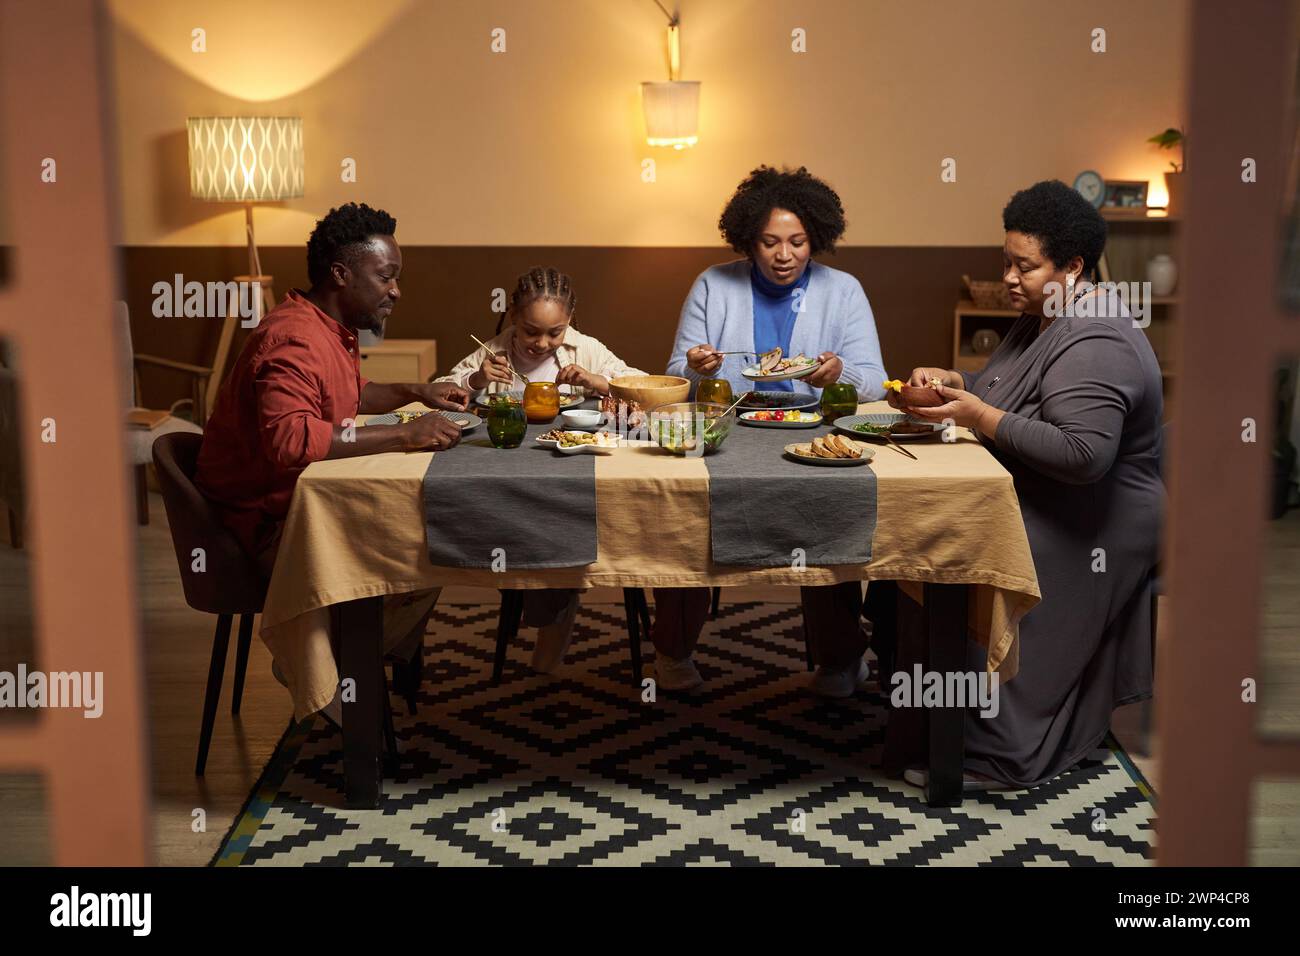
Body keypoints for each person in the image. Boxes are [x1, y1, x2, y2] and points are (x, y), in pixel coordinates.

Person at [892, 180, 1162, 790]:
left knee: (962, 550)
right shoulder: (1043, 314)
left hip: (1095, 518)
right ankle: (936, 713)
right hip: (1054, 495)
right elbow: (1008, 394)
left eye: (1025, 265)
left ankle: (999, 752)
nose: (1010, 277)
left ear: (1071, 266)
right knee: (926, 536)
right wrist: (953, 379)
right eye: (1005, 261)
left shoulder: (1096, 337)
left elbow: (1084, 453)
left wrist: (977, 417)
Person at [196, 202, 470, 724]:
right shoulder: (294, 339)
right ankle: (322, 665)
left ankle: (343, 660)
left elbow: (346, 397)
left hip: (296, 507)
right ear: (342, 274)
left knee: (432, 541)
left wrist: (417, 390)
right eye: (386, 277)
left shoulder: (325, 324)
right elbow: (290, 439)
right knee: (429, 548)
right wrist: (408, 433)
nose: (396, 290)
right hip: (266, 529)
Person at [657, 166, 889, 697]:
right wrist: (700, 365)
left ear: (816, 240)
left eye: (797, 242)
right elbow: (676, 373)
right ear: (748, 241)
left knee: (831, 520)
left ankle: (839, 658)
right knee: (682, 516)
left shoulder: (844, 290)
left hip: (810, 433)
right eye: (769, 242)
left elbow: (875, 380)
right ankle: (673, 652)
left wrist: (841, 373)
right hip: (728, 430)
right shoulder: (714, 283)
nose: (783, 255)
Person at [438, 266, 647, 673]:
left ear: (570, 322)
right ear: (513, 314)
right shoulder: (493, 350)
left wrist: (597, 380)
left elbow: (641, 384)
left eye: (556, 333)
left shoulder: (582, 348)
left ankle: (550, 618)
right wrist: (476, 380)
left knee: (562, 520)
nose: (543, 343)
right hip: (507, 472)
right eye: (532, 331)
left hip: (571, 471)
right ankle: (547, 606)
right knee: (530, 522)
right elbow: (443, 391)